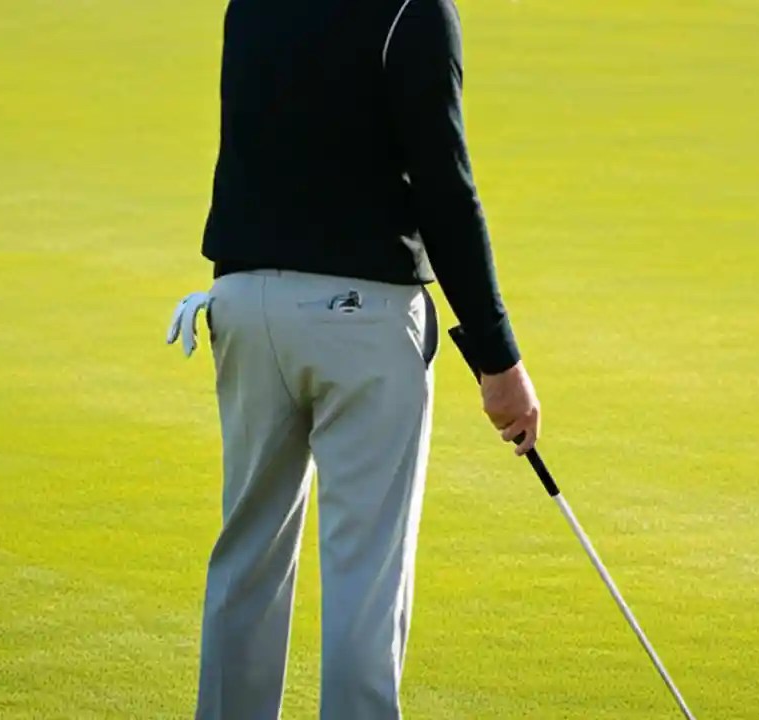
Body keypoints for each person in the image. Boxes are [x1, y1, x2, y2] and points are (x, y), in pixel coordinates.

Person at [164, 0, 541, 717]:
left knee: (247, 563)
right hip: (363, 324)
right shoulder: (416, 12)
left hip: (244, 303)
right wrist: (498, 360)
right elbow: (444, 188)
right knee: (364, 579)